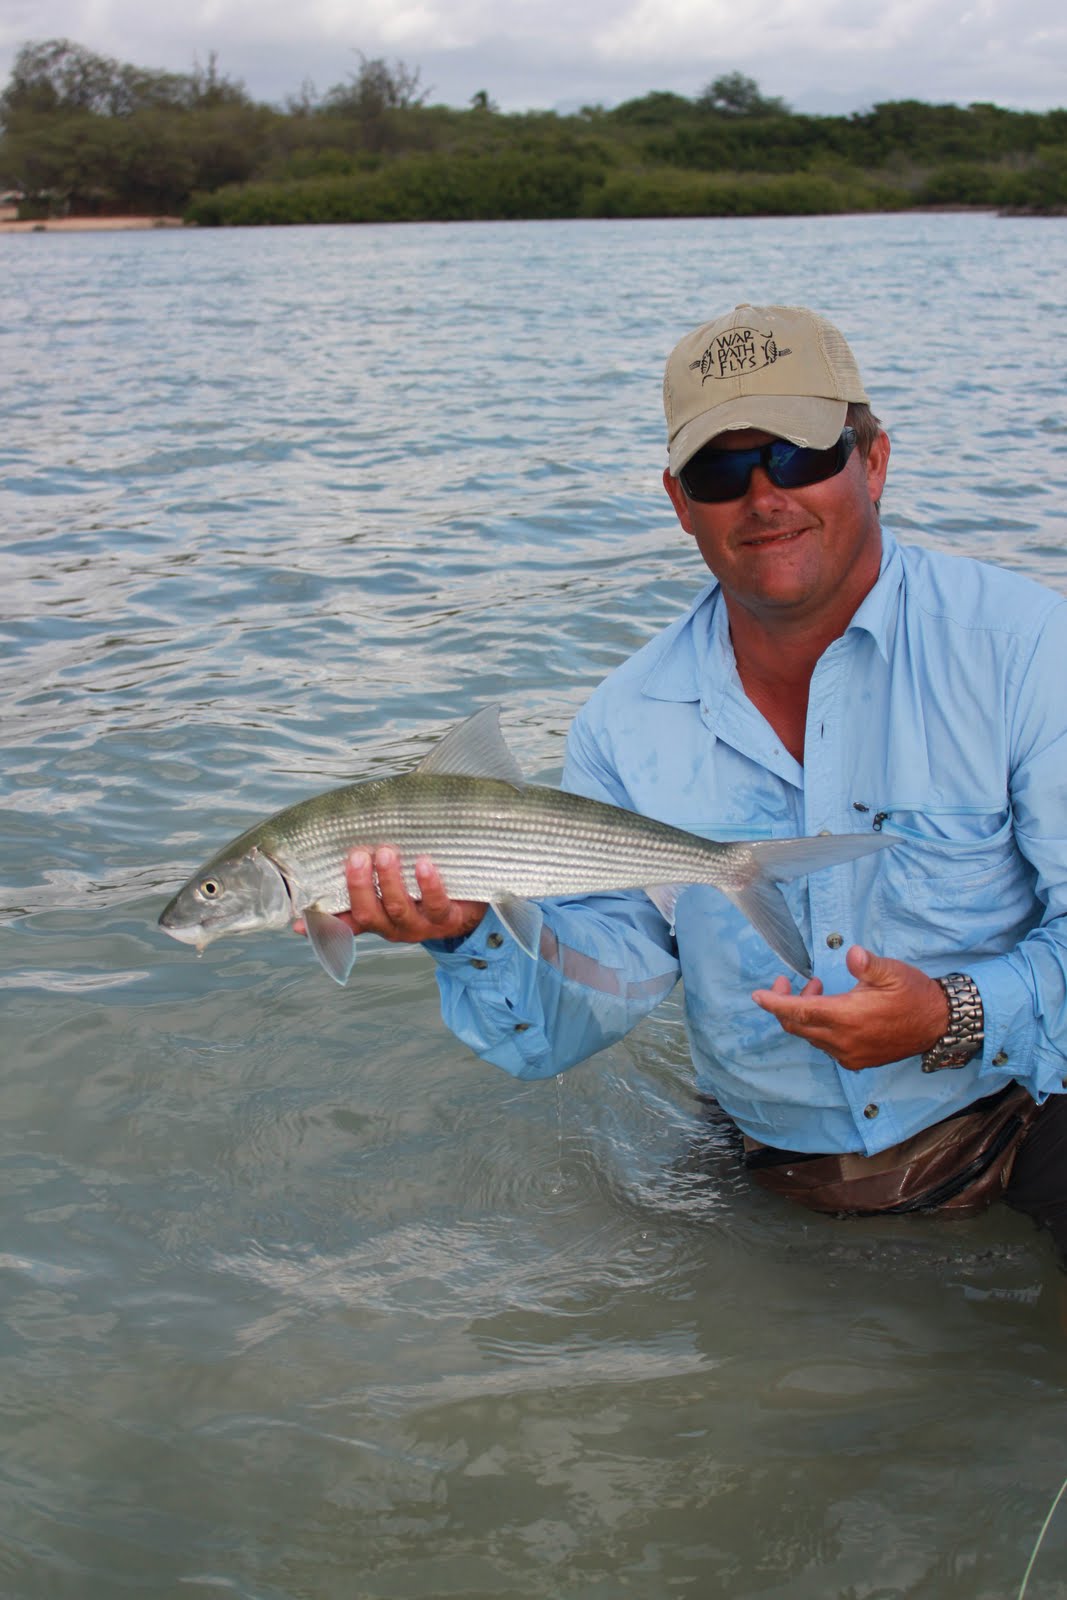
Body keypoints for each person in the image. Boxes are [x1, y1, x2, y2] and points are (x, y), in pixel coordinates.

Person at [331, 303, 1067, 1257]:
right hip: (775, 1167)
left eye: (800, 456)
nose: (764, 498)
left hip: (1025, 1118)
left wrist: (953, 1014)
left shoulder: (1026, 653)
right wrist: (472, 932)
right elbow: (592, 993)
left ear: (873, 460)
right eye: (721, 470)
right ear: (679, 502)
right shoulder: (622, 726)